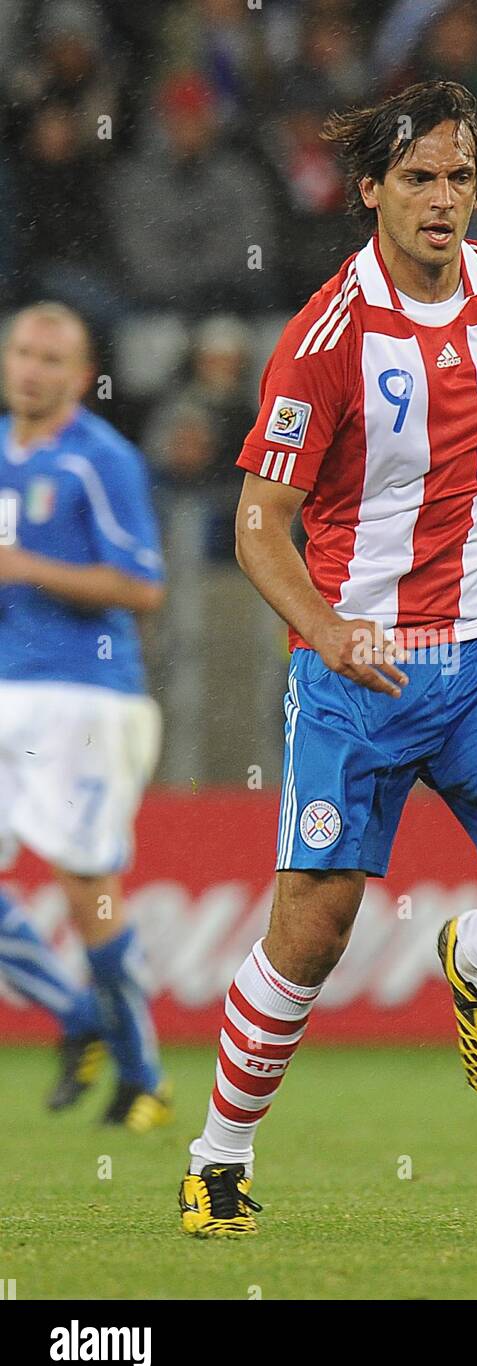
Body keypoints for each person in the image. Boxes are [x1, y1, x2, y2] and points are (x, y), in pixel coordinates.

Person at [178, 80, 477, 1237]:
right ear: (370, 190)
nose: (443, 199)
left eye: (461, 177)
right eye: (419, 177)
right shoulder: (324, 342)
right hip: (358, 672)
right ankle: (217, 1157)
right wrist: (326, 629)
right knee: (313, 932)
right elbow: (257, 523)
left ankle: (474, 956)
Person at [0, 303, 171, 1131]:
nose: (32, 369)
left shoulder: (102, 461)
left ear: (79, 373)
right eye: (22, 352)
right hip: (6, 688)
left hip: (85, 696)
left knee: (84, 884)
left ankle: (144, 1077)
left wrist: (26, 566)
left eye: (50, 359)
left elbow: (143, 586)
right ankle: (77, 1016)